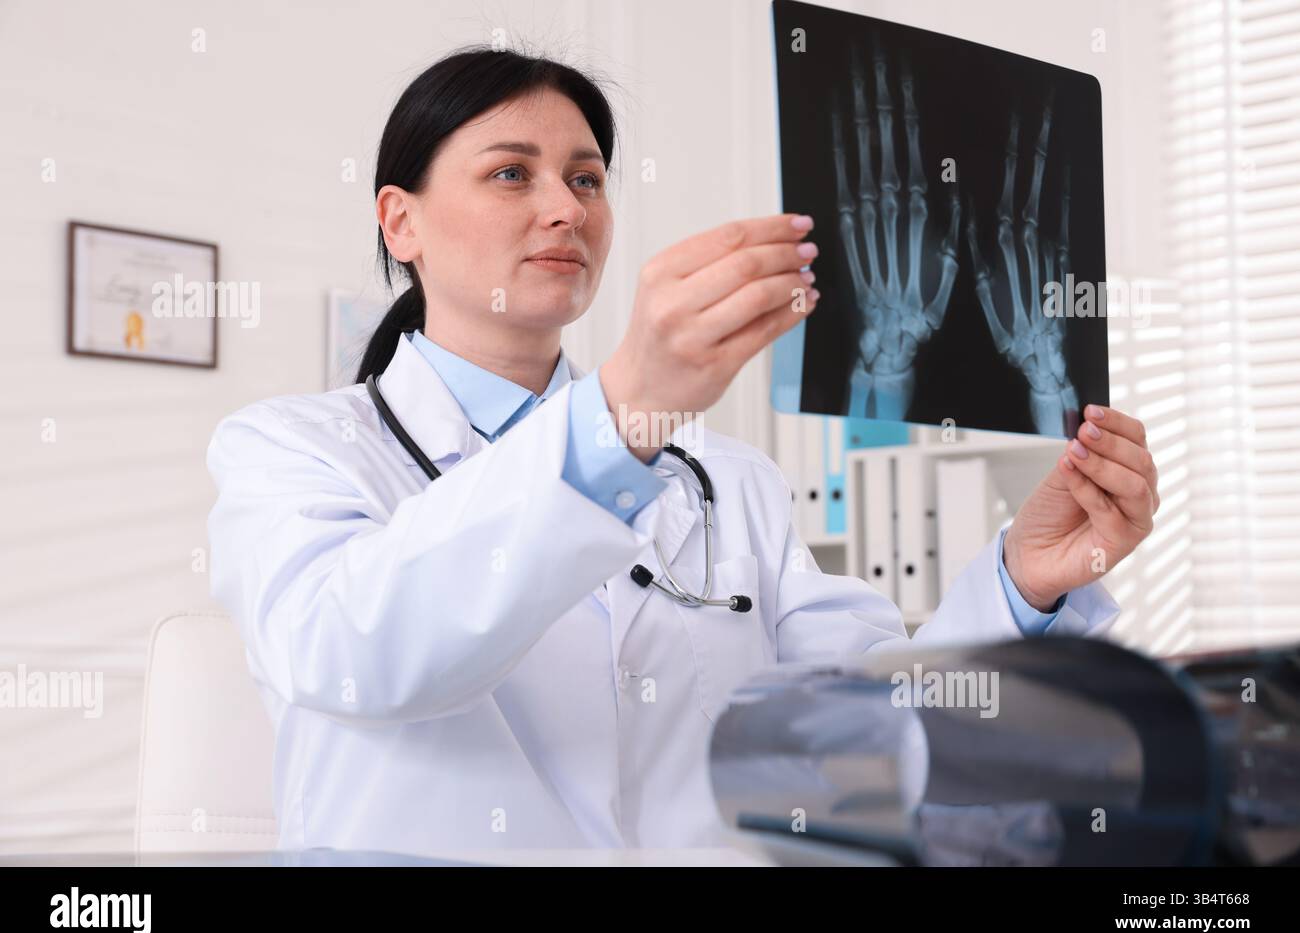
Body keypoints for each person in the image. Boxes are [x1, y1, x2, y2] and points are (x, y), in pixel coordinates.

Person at [205, 46, 1159, 855]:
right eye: (511, 173)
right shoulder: (293, 451)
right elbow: (354, 653)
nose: (566, 209)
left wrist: (1022, 588)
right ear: (399, 219)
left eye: (585, 178)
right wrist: (622, 415)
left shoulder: (724, 482)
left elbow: (868, 732)